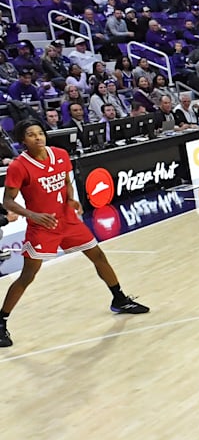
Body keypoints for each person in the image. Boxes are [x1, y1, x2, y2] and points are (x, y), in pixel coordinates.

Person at [0, 119, 148, 348]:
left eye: (40, 133)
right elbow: (7, 200)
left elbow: (66, 181)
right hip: (43, 225)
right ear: (22, 141)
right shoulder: (19, 166)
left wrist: (70, 198)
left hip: (67, 219)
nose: (38, 137)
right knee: (28, 275)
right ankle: (1, 321)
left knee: (98, 256)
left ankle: (119, 299)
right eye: (31, 135)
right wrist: (32, 215)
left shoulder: (59, 154)